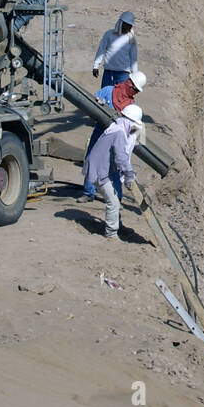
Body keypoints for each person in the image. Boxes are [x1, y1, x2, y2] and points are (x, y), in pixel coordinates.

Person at [83, 70, 146, 200]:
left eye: (136, 91)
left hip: (117, 140)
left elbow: (133, 132)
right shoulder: (108, 91)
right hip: (100, 132)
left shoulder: (131, 106)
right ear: (128, 83)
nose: (134, 92)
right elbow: (91, 105)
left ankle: (117, 198)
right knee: (92, 159)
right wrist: (98, 105)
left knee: (115, 168)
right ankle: (89, 192)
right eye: (134, 89)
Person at [83, 104, 142, 240]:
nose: (134, 128)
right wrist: (128, 174)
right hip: (99, 171)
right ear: (129, 121)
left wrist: (128, 172)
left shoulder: (116, 127)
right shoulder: (119, 133)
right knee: (113, 202)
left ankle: (114, 228)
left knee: (114, 198)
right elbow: (120, 157)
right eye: (134, 124)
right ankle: (111, 234)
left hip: (101, 168)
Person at [93, 12, 138, 87]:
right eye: (125, 25)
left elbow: (133, 59)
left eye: (129, 26)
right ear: (120, 23)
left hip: (124, 74)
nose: (126, 27)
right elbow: (101, 50)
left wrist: (135, 77)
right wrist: (95, 66)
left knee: (121, 96)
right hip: (109, 72)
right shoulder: (109, 34)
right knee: (105, 96)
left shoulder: (131, 40)